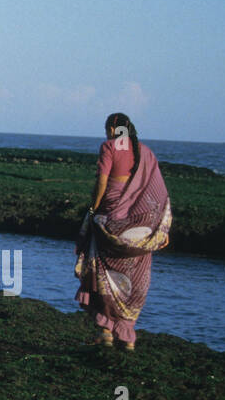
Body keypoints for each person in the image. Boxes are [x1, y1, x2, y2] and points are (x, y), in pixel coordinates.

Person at [74, 112, 172, 351]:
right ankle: (126, 336)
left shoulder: (109, 146)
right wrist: (160, 227)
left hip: (111, 222)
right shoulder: (146, 152)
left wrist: (93, 209)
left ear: (111, 129)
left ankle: (106, 330)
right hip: (140, 231)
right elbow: (159, 194)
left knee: (103, 275)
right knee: (135, 279)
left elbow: (102, 182)